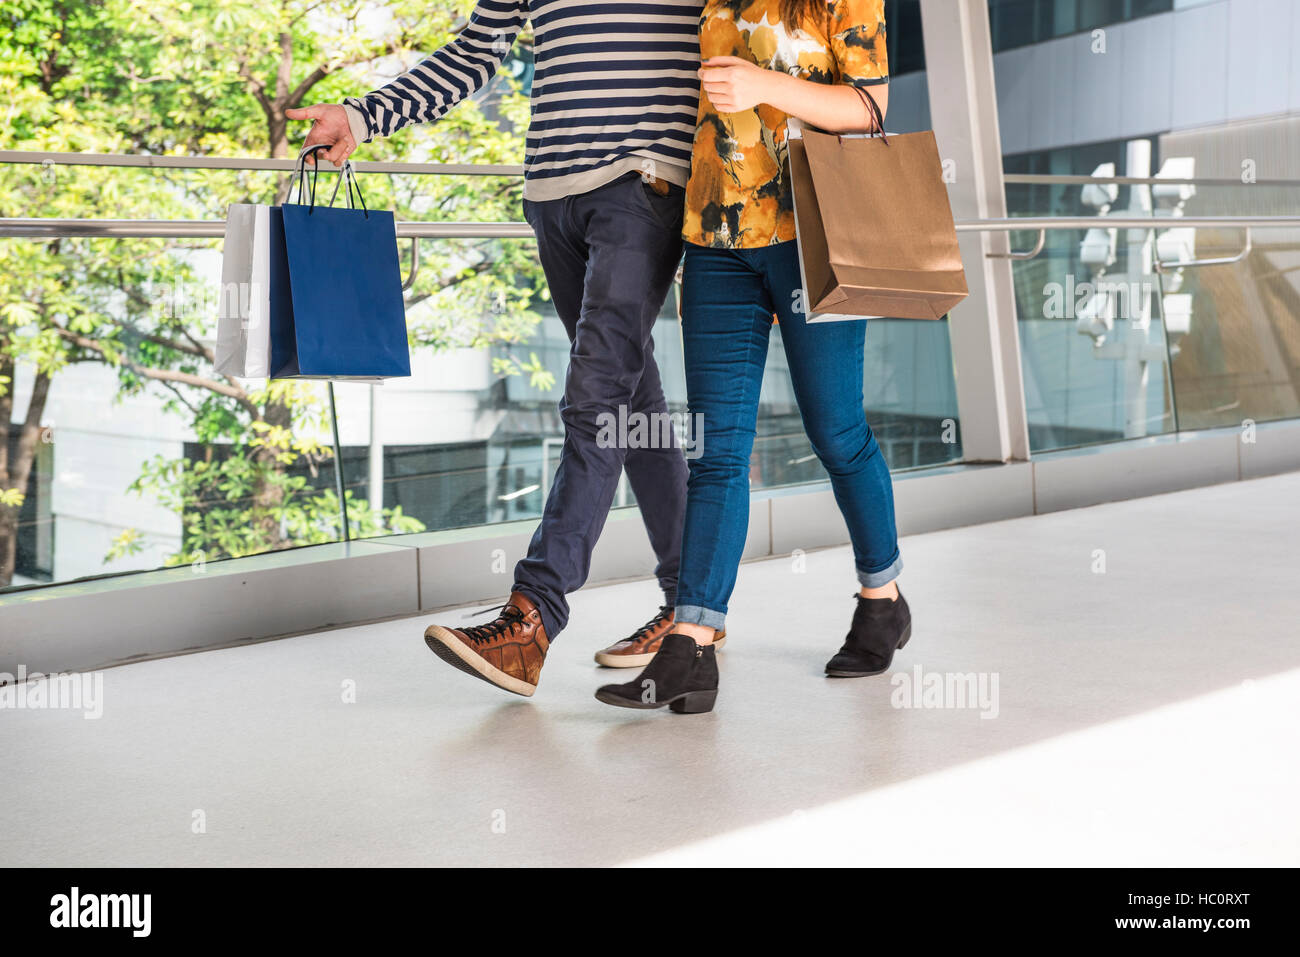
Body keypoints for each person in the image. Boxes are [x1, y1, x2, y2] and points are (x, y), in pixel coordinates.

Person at [289, 1, 719, 697]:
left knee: (596, 399)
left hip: (645, 184)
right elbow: (474, 53)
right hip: (553, 196)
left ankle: (533, 617)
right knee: (631, 399)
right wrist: (362, 116)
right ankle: (690, 604)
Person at [596, 0, 909, 715]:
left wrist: (765, 86)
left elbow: (869, 107)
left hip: (816, 233)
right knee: (717, 454)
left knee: (836, 430)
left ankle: (882, 597)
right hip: (716, 239)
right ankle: (691, 645)